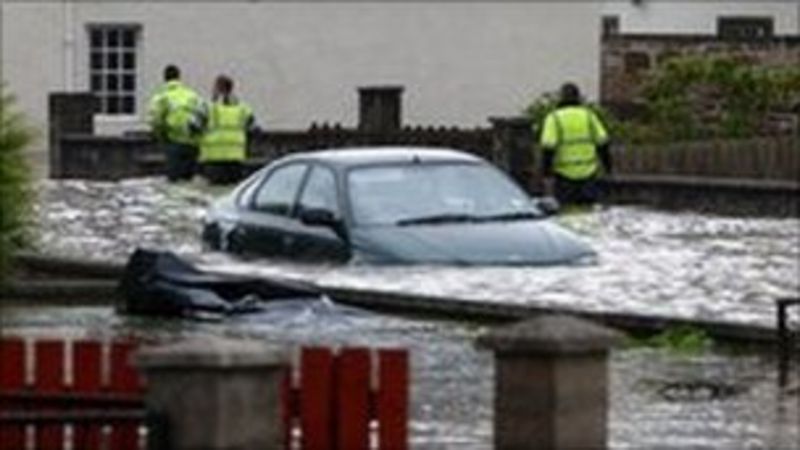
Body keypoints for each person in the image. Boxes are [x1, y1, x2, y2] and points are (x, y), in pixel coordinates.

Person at [538, 82, 613, 206]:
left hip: (564, 176)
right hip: (589, 174)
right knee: (589, 213)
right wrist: (608, 168)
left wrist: (546, 173)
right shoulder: (589, 116)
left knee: (566, 213)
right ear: (578, 97)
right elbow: (602, 142)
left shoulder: (554, 118)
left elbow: (548, 147)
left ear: (561, 97)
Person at [147, 64, 204, 182]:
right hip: (193, 142)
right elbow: (203, 114)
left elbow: (155, 120)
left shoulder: (162, 97)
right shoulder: (192, 95)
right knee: (189, 180)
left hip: (174, 142)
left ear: (165, 78)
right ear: (179, 77)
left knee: (174, 180)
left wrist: (160, 135)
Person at [198, 75, 255, 185]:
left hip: (214, 158)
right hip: (235, 156)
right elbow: (254, 127)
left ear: (218, 89)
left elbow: (193, 126)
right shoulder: (242, 108)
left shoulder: (208, 108)